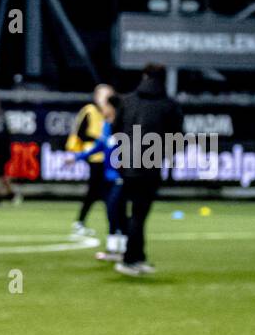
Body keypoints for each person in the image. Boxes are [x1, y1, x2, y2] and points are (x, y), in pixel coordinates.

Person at [111, 63, 182, 276]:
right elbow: (177, 138)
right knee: (140, 214)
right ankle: (130, 259)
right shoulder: (168, 105)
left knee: (130, 211)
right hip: (150, 166)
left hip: (126, 164)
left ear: (144, 76)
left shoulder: (128, 101)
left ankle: (137, 256)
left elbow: (115, 130)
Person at [64, 94, 125, 260]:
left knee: (117, 210)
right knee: (113, 211)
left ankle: (123, 250)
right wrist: (76, 157)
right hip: (109, 175)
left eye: (106, 106)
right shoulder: (106, 126)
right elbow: (98, 147)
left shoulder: (125, 126)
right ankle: (116, 250)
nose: (102, 109)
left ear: (112, 108)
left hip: (122, 175)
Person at [66, 83, 113, 236]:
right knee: (102, 192)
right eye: (103, 96)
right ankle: (114, 228)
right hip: (94, 157)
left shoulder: (110, 114)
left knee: (99, 192)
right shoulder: (90, 111)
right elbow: (80, 133)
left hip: (107, 158)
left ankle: (82, 222)